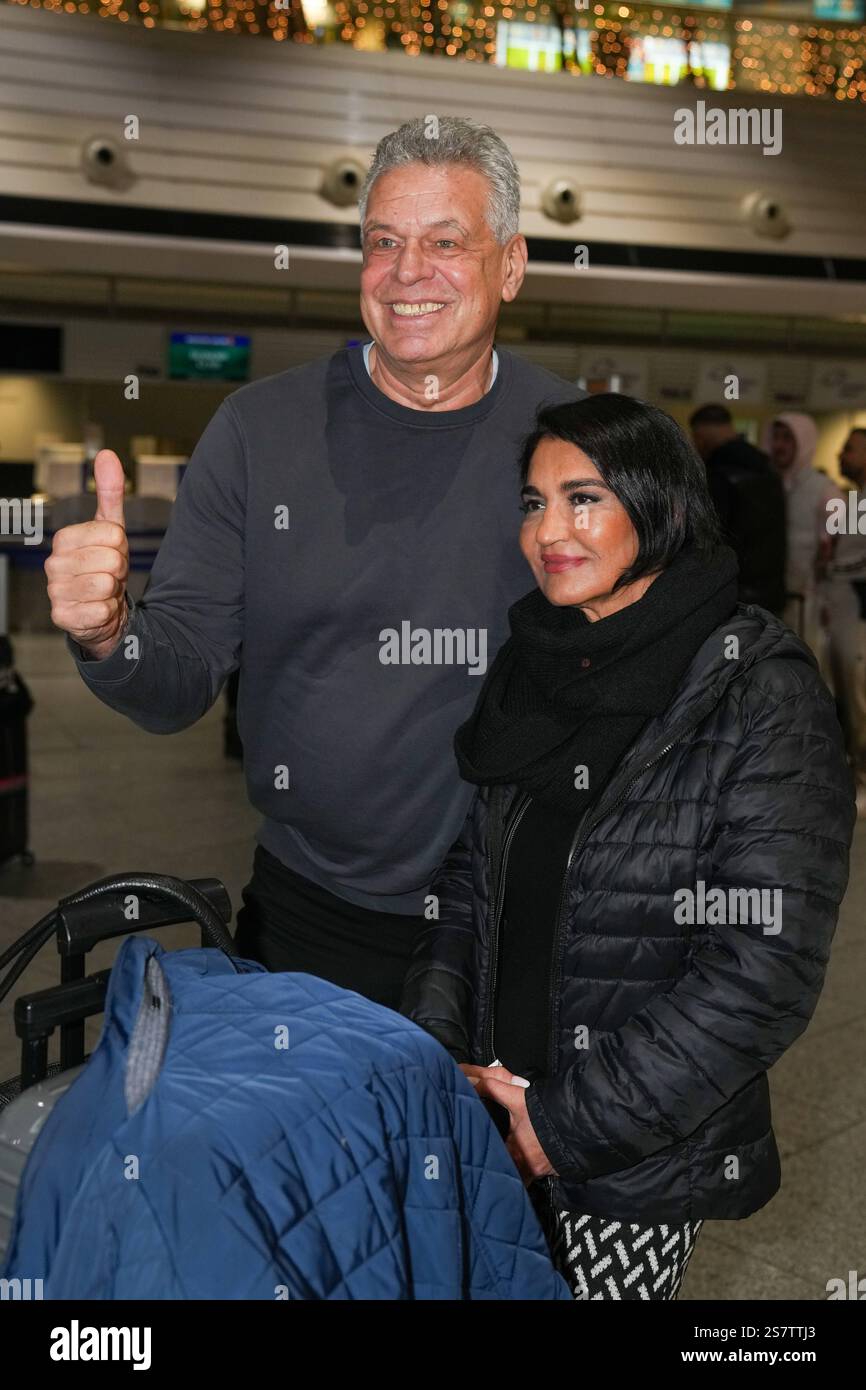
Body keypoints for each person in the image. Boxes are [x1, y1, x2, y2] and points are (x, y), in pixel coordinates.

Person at [43, 117, 580, 1010]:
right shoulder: (260, 433)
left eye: (446, 241)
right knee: (320, 1153)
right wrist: (110, 632)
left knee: (501, 1153)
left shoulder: (577, 441)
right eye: (383, 243)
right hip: (315, 919)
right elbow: (176, 681)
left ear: (511, 266)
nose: (409, 272)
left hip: (526, 913)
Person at [401, 393, 855, 1301]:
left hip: (629, 1158)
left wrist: (559, 1125)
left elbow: (762, 972)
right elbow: (468, 883)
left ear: (662, 508)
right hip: (485, 1114)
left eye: (584, 498)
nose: (548, 530)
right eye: (534, 503)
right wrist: (434, 1062)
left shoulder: (758, 694)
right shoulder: (534, 661)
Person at [689, 402, 785, 614]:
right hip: (769, 589)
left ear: (701, 435)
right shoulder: (767, 468)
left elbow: (712, 536)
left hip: (733, 590)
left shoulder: (718, 475)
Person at [768, 412, 842, 663]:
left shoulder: (826, 490)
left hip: (810, 601)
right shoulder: (768, 483)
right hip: (772, 598)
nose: (779, 445)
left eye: (788, 438)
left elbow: (839, 549)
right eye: (776, 437)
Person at [826, 427, 866, 814]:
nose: (842, 455)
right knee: (845, 692)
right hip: (840, 608)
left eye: (851, 450)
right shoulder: (854, 500)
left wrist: (834, 564)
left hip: (859, 611)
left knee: (858, 694)